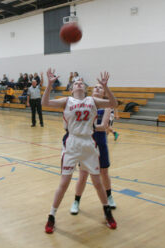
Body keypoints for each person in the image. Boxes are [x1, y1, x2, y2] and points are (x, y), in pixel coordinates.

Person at [41, 68, 117, 234]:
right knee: (64, 183)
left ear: (84, 87)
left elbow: (114, 104)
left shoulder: (92, 101)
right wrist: (49, 85)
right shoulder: (66, 101)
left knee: (97, 182)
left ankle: (107, 212)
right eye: (76, 82)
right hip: (72, 143)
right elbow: (44, 103)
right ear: (72, 88)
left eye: (81, 82)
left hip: (89, 143)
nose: (79, 83)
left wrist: (106, 87)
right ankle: (51, 216)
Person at [70, 84, 117, 216]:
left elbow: (104, 127)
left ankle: (109, 197)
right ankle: (76, 201)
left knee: (104, 173)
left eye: (100, 88)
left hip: (100, 143)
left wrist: (87, 126)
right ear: (91, 91)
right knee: (83, 175)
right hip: (86, 143)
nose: (97, 88)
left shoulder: (107, 106)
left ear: (103, 92)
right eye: (95, 87)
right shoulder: (84, 103)